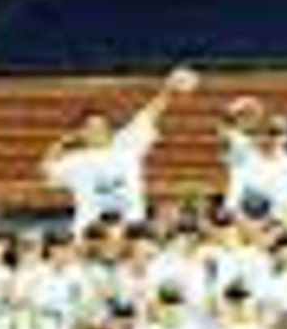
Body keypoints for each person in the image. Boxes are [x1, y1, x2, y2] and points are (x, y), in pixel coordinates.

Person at [41, 66, 200, 231]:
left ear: (109, 129)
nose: (97, 132)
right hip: (91, 233)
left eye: (101, 127)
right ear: (81, 133)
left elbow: (150, 113)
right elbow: (46, 168)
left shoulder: (126, 145)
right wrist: (62, 142)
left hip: (131, 230)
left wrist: (168, 90)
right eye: (90, 128)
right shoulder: (75, 160)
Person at [222, 101, 287, 231]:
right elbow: (226, 129)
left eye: (277, 132)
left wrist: (270, 228)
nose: (270, 138)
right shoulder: (242, 152)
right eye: (266, 132)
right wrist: (240, 105)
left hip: (269, 231)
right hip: (232, 225)